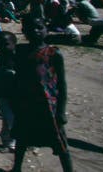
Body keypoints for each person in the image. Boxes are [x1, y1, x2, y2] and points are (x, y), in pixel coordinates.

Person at [12, 15, 72, 172]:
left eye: (39, 27)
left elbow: (62, 84)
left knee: (60, 141)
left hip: (49, 104)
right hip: (27, 103)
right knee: (22, 138)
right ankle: (16, 167)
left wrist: (61, 111)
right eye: (31, 29)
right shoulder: (20, 51)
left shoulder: (54, 53)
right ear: (24, 32)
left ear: (46, 29)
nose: (36, 31)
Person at [0, 31, 18, 153]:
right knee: (8, 120)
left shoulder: (18, 59)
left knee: (12, 120)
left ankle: (13, 141)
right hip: (3, 94)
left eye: (6, 44)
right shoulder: (0, 58)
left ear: (15, 44)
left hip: (16, 95)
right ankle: (9, 143)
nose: (2, 47)